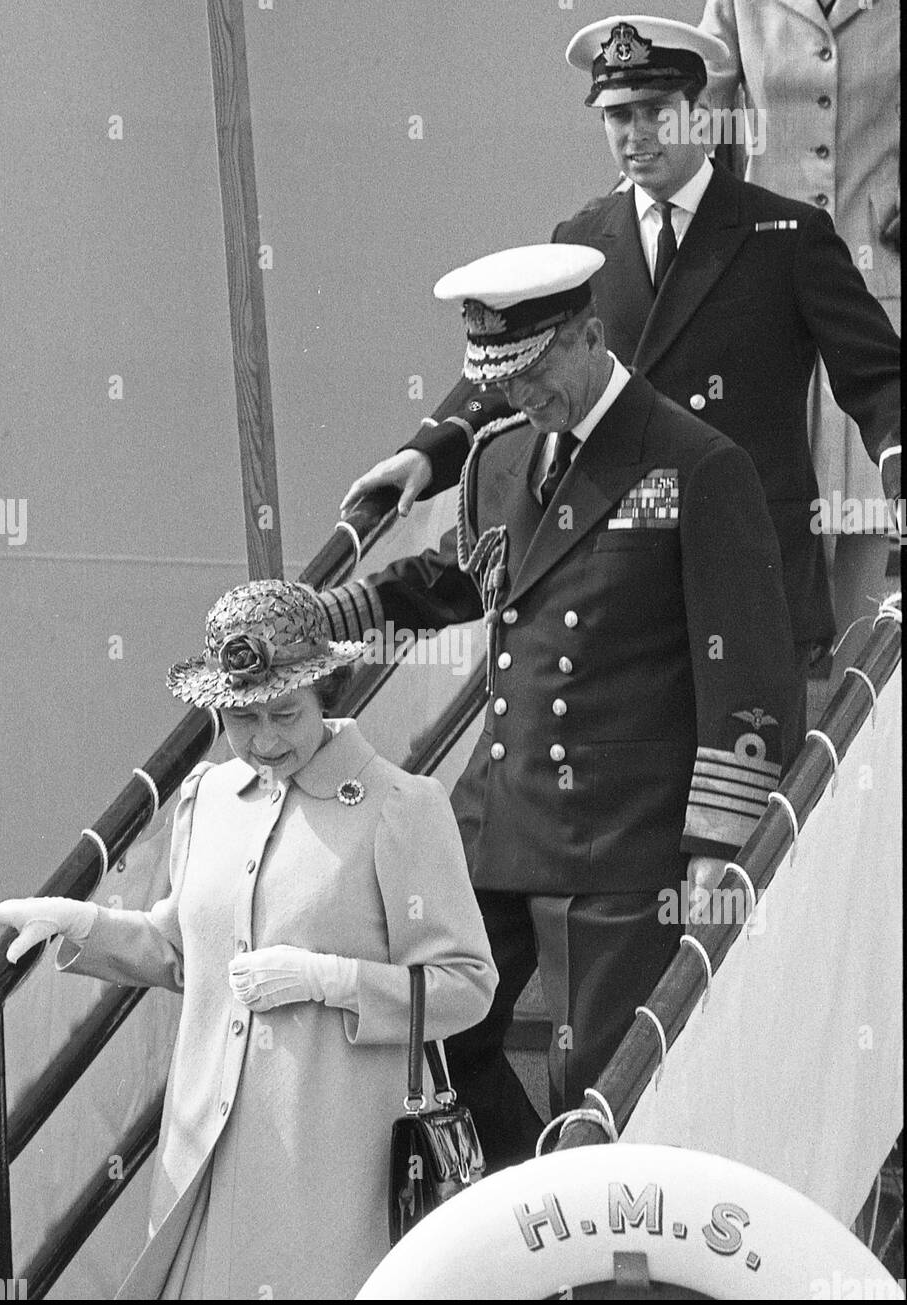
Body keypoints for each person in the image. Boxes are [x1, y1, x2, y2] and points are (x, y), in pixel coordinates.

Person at [321, 243, 798, 1169]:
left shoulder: (694, 464)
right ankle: (520, 1202)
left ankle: (583, 1255)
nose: (522, 398)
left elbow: (747, 666)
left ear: (588, 336)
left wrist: (713, 841)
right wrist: (344, 609)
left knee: (597, 1092)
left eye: (536, 374)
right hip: (496, 821)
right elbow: (469, 576)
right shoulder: (501, 457)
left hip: (620, 844)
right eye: (503, 381)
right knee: (428, 1042)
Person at [341, 16, 901, 731]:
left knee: (744, 815)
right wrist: (429, 451)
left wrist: (893, 457)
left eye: (654, 113)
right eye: (616, 117)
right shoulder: (581, 240)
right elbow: (516, 365)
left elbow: (876, 374)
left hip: (747, 580)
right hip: (616, 585)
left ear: (701, 112)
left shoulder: (783, 236)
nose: (636, 137)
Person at [0, 579, 497, 1300]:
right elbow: (182, 952)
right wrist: (77, 921)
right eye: (241, 718)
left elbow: (467, 985)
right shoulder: (205, 798)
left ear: (325, 693)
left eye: (284, 714)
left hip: (335, 1167)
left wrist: (328, 978)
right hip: (206, 1152)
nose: (264, 740)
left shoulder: (403, 807)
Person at [698, 0, 901, 659]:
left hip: (876, 285)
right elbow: (690, 106)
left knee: (869, 513)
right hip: (766, 277)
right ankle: (772, 716)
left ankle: (849, 730)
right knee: (768, 497)